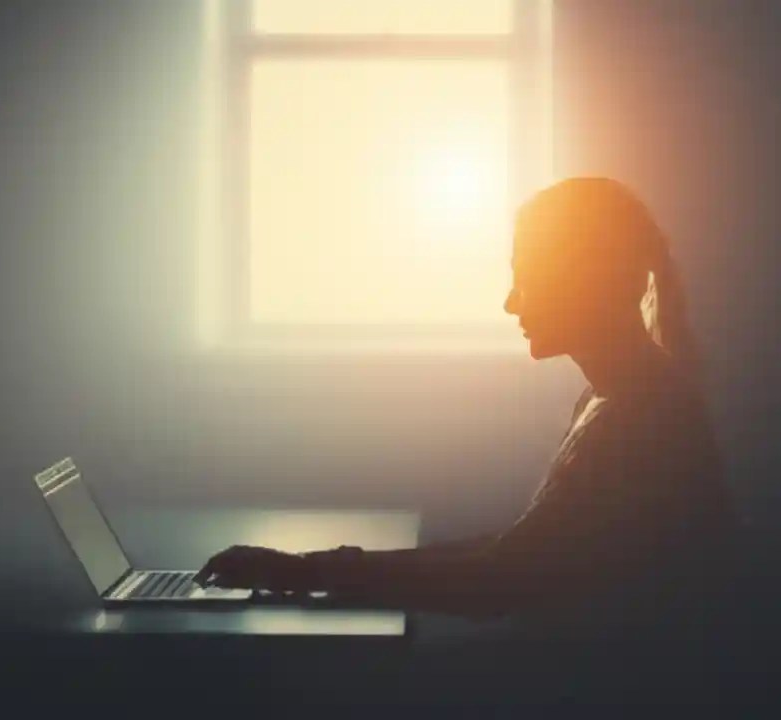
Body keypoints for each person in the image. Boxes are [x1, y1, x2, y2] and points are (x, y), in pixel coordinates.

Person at [196, 177, 740, 626]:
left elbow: (499, 578)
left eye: (527, 279)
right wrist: (311, 570)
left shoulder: (637, 415)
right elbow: (513, 555)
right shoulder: (618, 394)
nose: (510, 302)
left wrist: (307, 573)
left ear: (585, 281)